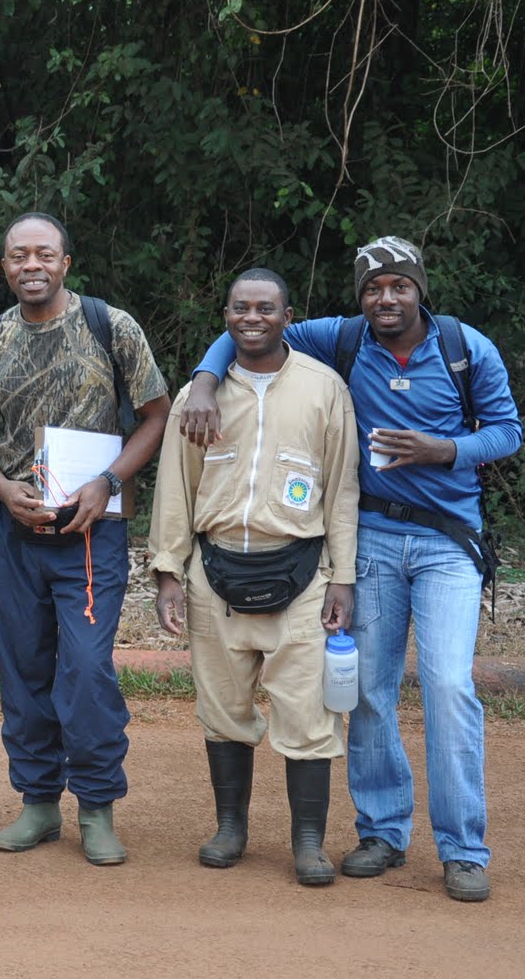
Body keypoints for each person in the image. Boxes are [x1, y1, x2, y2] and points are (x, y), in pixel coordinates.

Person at [178, 236, 522, 902]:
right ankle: (383, 832)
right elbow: (250, 329)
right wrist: (203, 380)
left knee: (448, 685)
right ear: (359, 297)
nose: (385, 298)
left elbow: (507, 431)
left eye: (398, 286)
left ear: (420, 290)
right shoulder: (343, 336)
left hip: (448, 542)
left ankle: (462, 849)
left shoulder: (464, 348)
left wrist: (444, 449)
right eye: (372, 288)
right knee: (365, 690)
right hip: (371, 537)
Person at [0, 212, 171, 864]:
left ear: (66, 263)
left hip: (90, 530)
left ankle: (96, 806)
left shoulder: (111, 326)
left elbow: (157, 415)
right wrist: (2, 489)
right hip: (15, 532)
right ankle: (39, 803)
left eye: (44, 254)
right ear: (5, 266)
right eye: (19, 255)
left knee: (87, 668)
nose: (32, 265)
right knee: (23, 669)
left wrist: (110, 480)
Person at [147, 268, 358, 886]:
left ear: (288, 317)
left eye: (266, 308)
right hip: (214, 573)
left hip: (302, 574)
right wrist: (168, 570)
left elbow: (342, 488)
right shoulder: (198, 399)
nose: (252, 318)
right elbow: (175, 488)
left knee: (309, 713)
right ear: (226, 316)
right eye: (241, 308)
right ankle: (230, 827)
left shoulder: (324, 389)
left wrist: (342, 575)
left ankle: (309, 841)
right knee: (222, 706)